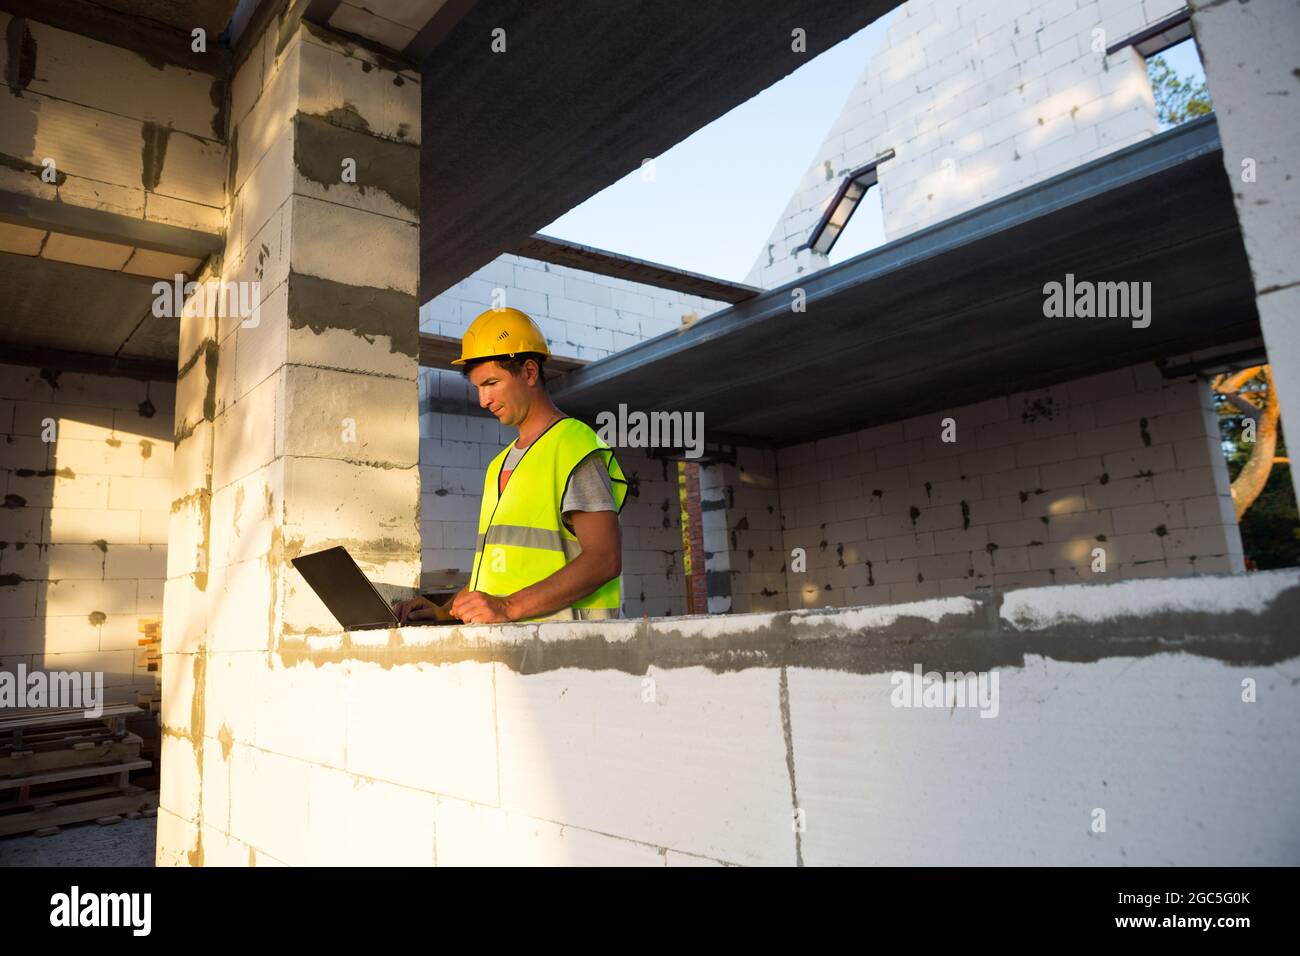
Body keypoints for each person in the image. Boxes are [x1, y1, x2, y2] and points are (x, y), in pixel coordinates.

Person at [393, 307, 626, 625]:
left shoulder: (574, 447)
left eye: (491, 383)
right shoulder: (498, 465)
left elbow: (604, 559)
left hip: (571, 652)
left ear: (529, 372)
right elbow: (497, 578)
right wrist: (444, 610)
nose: (483, 400)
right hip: (516, 654)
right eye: (477, 388)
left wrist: (508, 608)